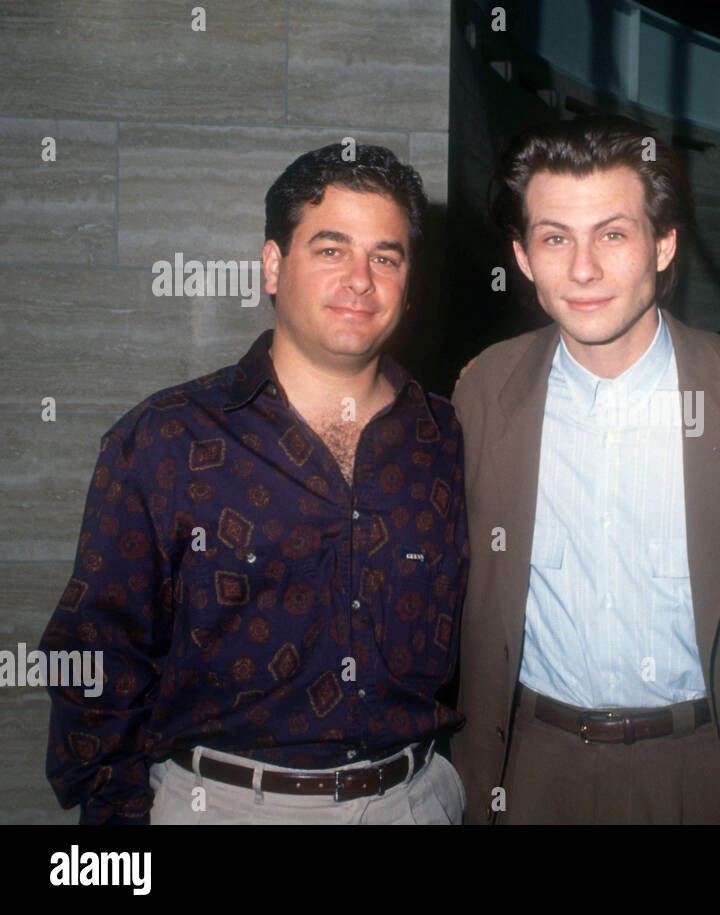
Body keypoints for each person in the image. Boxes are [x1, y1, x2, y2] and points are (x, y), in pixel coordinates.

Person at [39, 143, 469, 824]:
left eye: (385, 257)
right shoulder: (168, 438)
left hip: (414, 800)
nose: (361, 278)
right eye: (331, 249)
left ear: (408, 283)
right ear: (274, 265)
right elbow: (97, 660)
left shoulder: (450, 437)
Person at [451, 115, 720, 823]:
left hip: (703, 767)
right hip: (532, 769)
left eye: (613, 233)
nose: (583, 269)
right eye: (555, 238)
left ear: (663, 244)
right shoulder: (484, 392)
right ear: (522, 256)